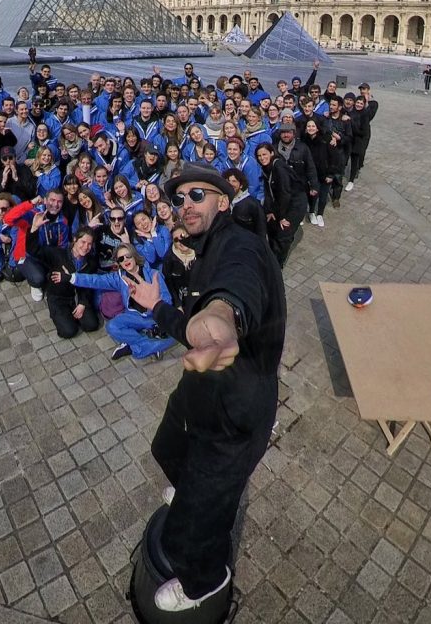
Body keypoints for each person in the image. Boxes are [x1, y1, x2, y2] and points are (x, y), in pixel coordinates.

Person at [127, 164, 286, 612]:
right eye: (179, 199)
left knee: (198, 520)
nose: (186, 206)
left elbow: (233, 294)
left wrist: (220, 320)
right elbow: (195, 324)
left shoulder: (240, 245)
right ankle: (192, 488)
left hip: (238, 409)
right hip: (204, 386)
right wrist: (158, 307)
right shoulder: (208, 246)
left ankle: (206, 582)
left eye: (198, 195)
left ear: (224, 199)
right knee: (167, 445)